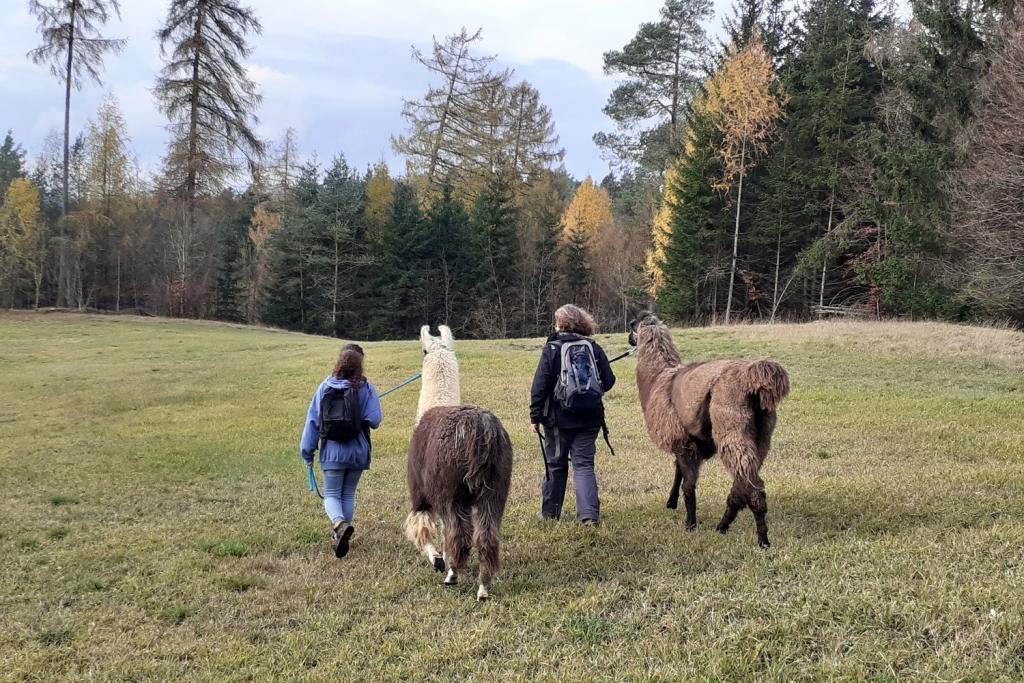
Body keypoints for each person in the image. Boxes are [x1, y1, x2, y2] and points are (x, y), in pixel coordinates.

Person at [529, 304, 616, 524]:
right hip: (591, 418)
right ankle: (589, 516)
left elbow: (539, 386)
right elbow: (609, 381)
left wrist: (535, 417)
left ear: (561, 324)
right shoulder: (593, 347)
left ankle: (550, 513)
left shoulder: (552, 348)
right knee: (584, 465)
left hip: (558, 422)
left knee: (556, 465)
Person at [300, 343, 382, 558]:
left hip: (333, 453)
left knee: (331, 494)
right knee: (348, 494)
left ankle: (338, 524)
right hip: (358, 452)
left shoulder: (325, 386)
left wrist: (307, 452)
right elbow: (375, 420)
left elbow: (312, 422)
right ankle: (341, 535)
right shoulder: (367, 388)